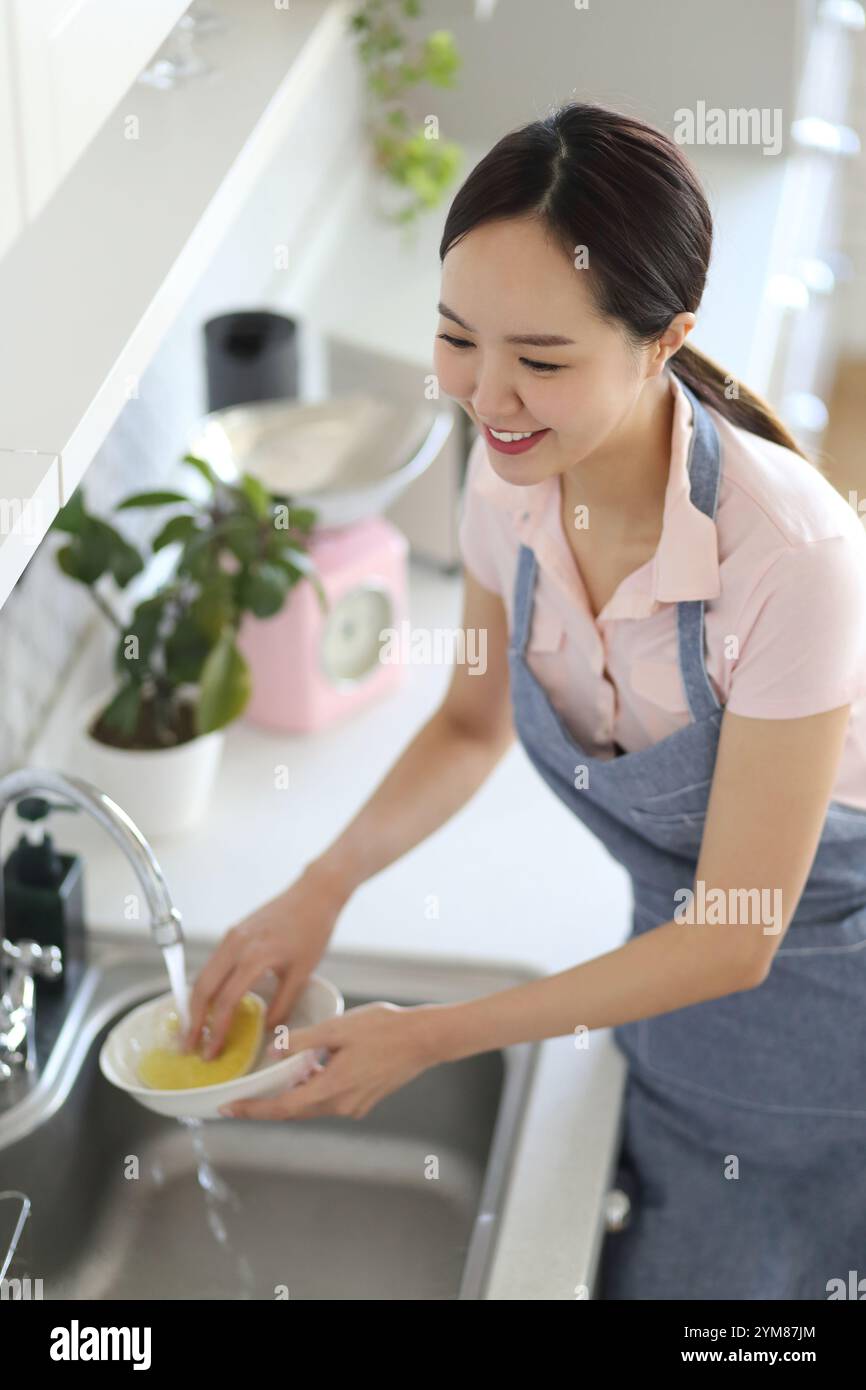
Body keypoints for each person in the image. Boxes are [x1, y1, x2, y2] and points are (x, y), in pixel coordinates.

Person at [183, 102, 866, 1300]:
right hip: (672, 948)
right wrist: (317, 890)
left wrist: (425, 1033)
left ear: (663, 340)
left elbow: (736, 930)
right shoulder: (510, 478)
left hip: (814, 991)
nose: (486, 395)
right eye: (457, 339)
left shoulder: (790, 556)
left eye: (541, 360)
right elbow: (466, 721)